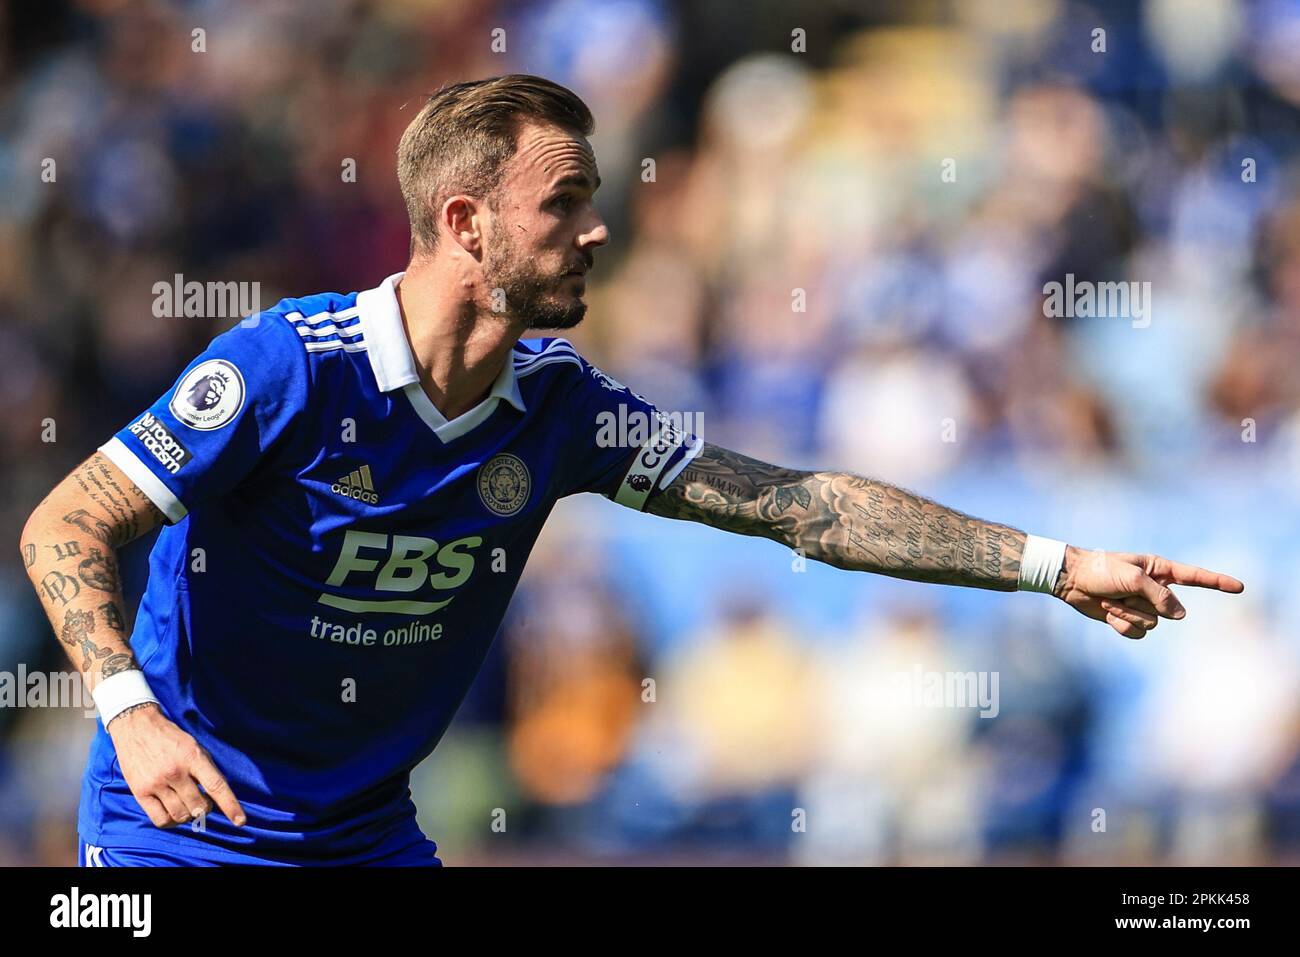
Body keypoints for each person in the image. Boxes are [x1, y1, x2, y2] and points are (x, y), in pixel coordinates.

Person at [20, 74, 1244, 866]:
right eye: (564, 204)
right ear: (465, 223)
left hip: (364, 841)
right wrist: (129, 716)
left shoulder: (561, 409)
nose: (598, 230)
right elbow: (66, 525)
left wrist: (1052, 562)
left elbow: (798, 507)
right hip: (179, 834)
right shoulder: (291, 367)